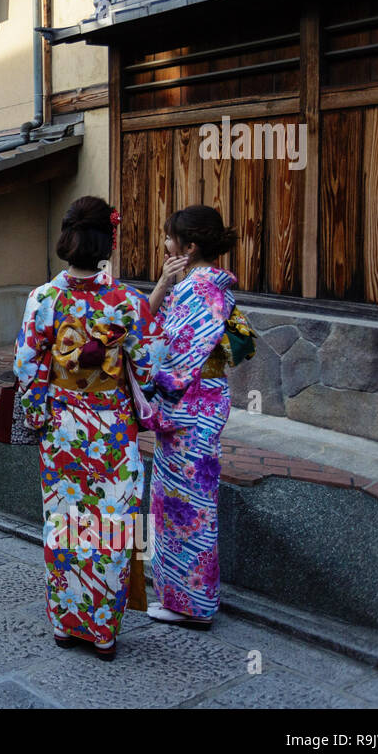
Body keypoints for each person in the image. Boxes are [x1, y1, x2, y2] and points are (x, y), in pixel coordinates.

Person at [14, 195, 165, 661]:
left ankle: (65, 625)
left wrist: (41, 416)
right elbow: (150, 369)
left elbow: (26, 366)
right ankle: (101, 631)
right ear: (109, 242)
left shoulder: (44, 298)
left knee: (63, 524)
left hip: (60, 427)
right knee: (111, 527)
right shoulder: (129, 303)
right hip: (111, 431)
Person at [144, 205, 241, 628]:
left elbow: (174, 356)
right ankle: (187, 599)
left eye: (170, 238)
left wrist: (146, 388)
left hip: (188, 413)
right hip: (197, 407)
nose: (166, 244)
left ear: (190, 246)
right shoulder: (200, 286)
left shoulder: (200, 290)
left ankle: (191, 605)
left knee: (185, 508)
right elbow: (155, 327)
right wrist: (164, 286)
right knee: (187, 505)